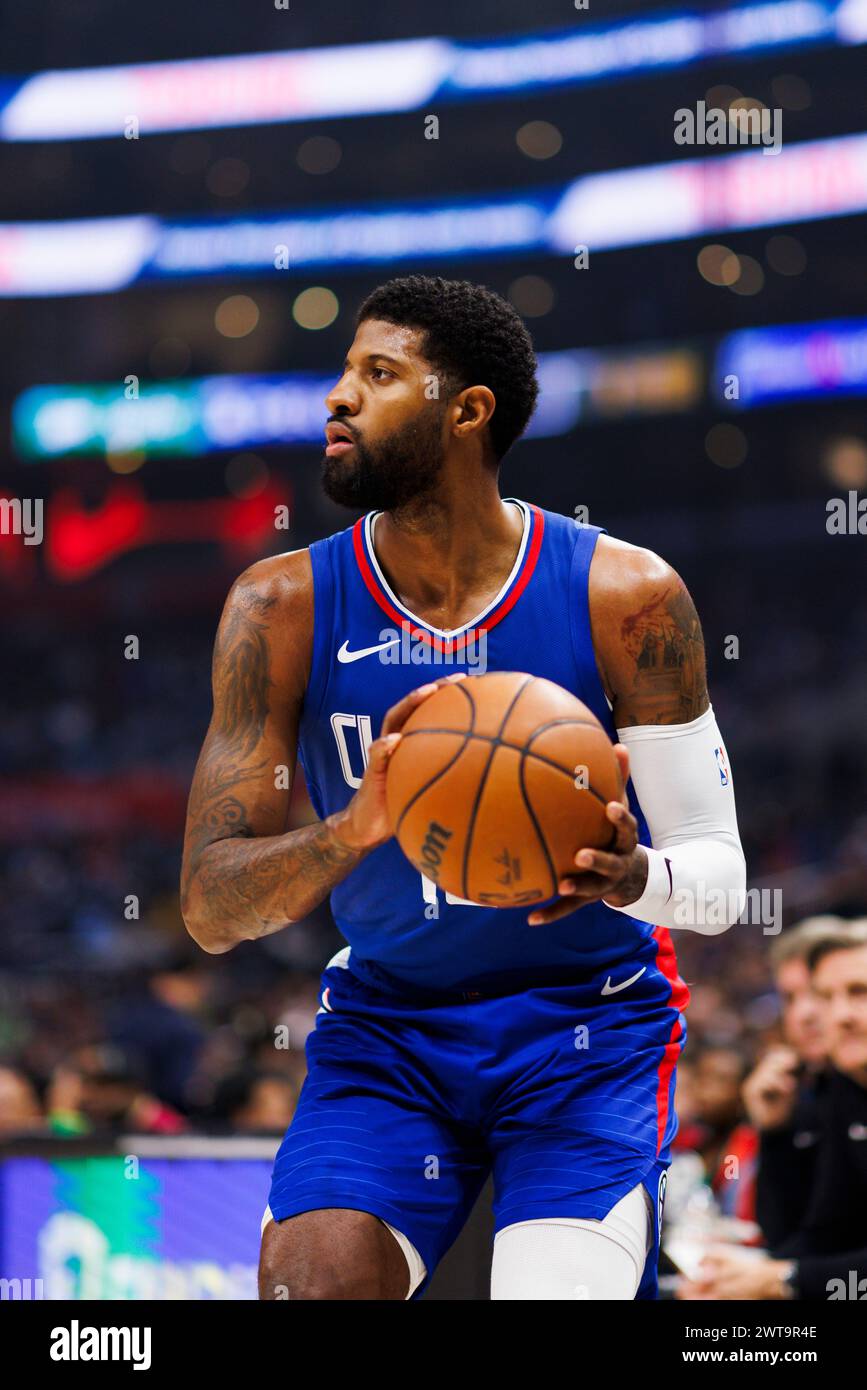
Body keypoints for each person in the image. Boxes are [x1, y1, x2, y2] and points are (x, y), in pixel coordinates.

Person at [180, 275, 746, 1300]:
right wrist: (354, 828)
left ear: (468, 410)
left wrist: (631, 875)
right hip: (389, 1030)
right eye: (344, 372)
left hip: (589, 1028)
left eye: (378, 374)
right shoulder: (280, 605)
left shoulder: (628, 596)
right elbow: (213, 908)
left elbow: (720, 877)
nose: (336, 398)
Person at [679, 920, 867, 1300]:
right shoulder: (842, 1091)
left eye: (858, 993)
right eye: (826, 996)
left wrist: (779, 1279)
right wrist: (776, 1131)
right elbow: (814, 1235)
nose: (832, 1015)